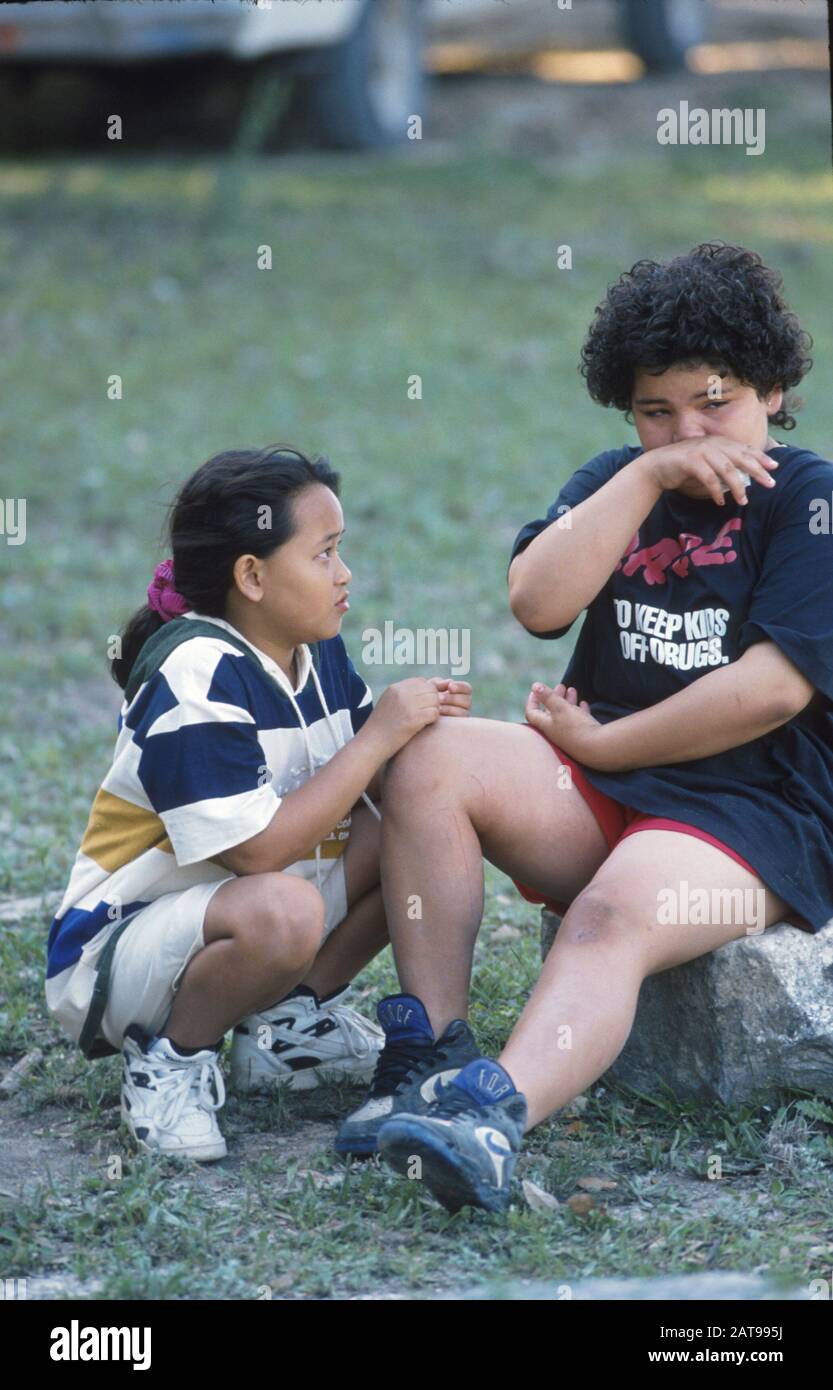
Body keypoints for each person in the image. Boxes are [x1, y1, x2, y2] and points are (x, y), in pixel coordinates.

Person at [336, 242, 833, 1213]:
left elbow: (769, 691)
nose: (687, 431)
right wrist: (646, 479)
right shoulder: (621, 481)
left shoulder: (807, 501)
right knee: (429, 756)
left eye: (714, 402)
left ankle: (490, 1120)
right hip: (610, 796)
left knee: (610, 913)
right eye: (656, 410)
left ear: (772, 390)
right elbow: (534, 601)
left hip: (752, 817)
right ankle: (428, 1055)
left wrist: (604, 745)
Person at [45, 444, 472, 1161]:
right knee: (283, 909)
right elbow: (257, 853)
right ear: (252, 575)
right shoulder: (195, 669)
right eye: (324, 554)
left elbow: (380, 786)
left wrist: (440, 745)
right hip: (118, 954)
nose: (345, 574)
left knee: (407, 825)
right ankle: (173, 1058)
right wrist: (379, 737)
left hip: (228, 918)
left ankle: (287, 1028)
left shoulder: (315, 652)